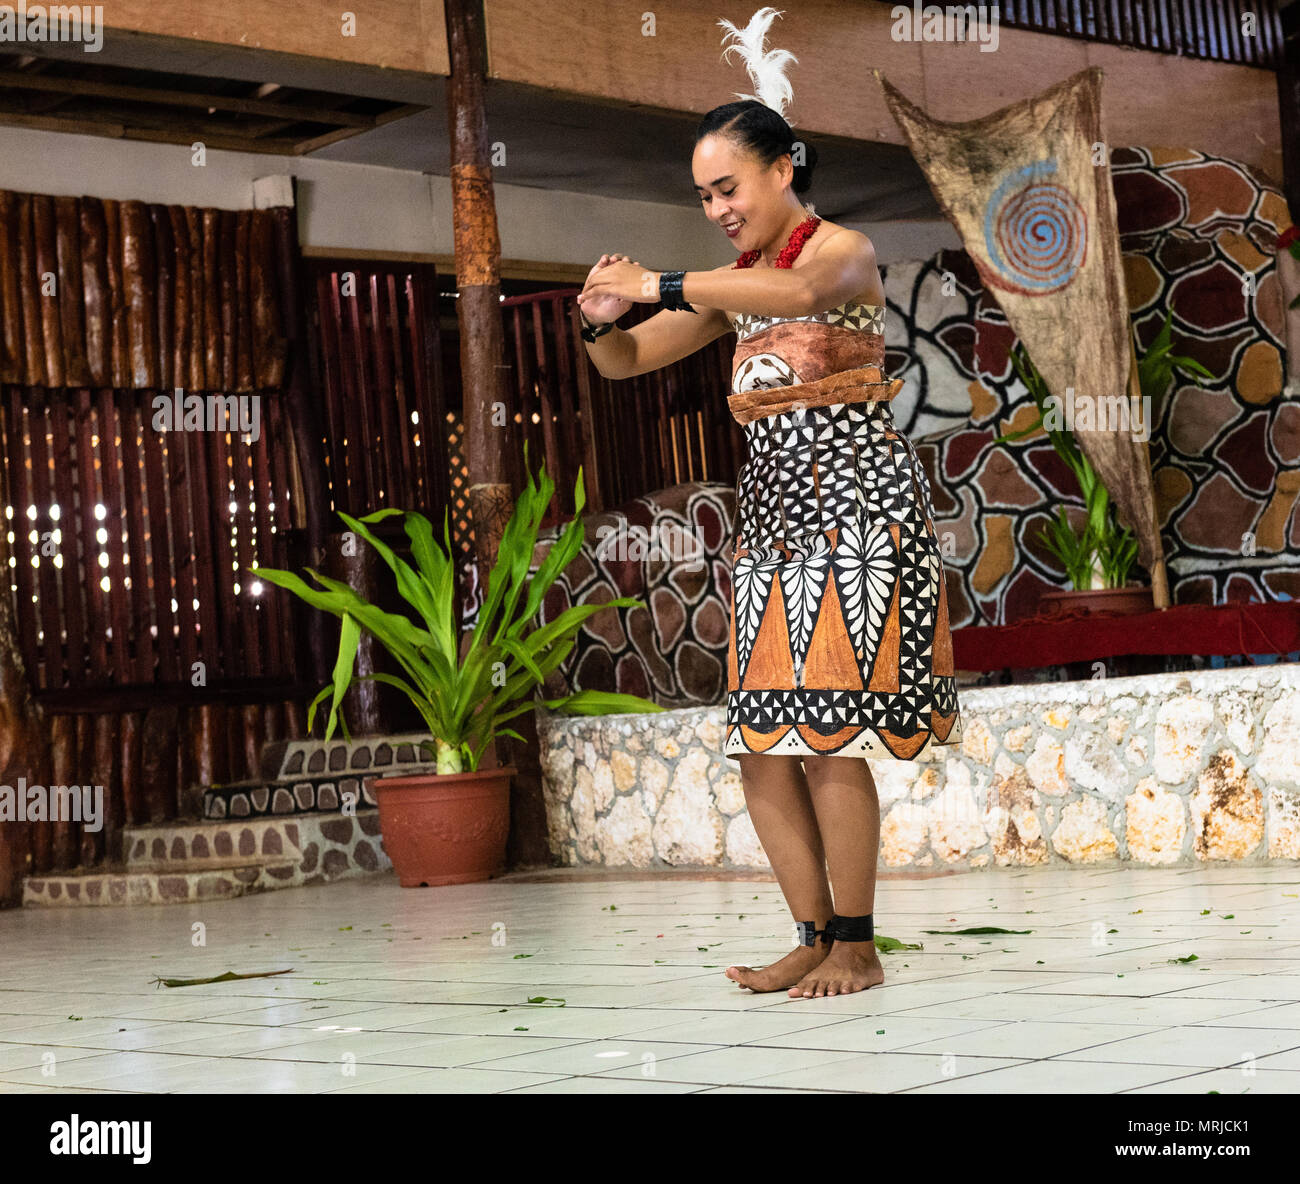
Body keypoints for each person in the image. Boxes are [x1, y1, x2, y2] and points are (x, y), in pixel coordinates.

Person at [576, 7, 962, 999]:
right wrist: (597, 317)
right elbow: (624, 363)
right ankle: (813, 928)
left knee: (826, 731)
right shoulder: (730, 285)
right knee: (762, 745)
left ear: (782, 167)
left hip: (854, 516)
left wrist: (656, 278)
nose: (716, 207)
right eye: (701, 194)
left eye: (727, 187)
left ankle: (861, 944)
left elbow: (795, 299)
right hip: (773, 528)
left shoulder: (842, 253)